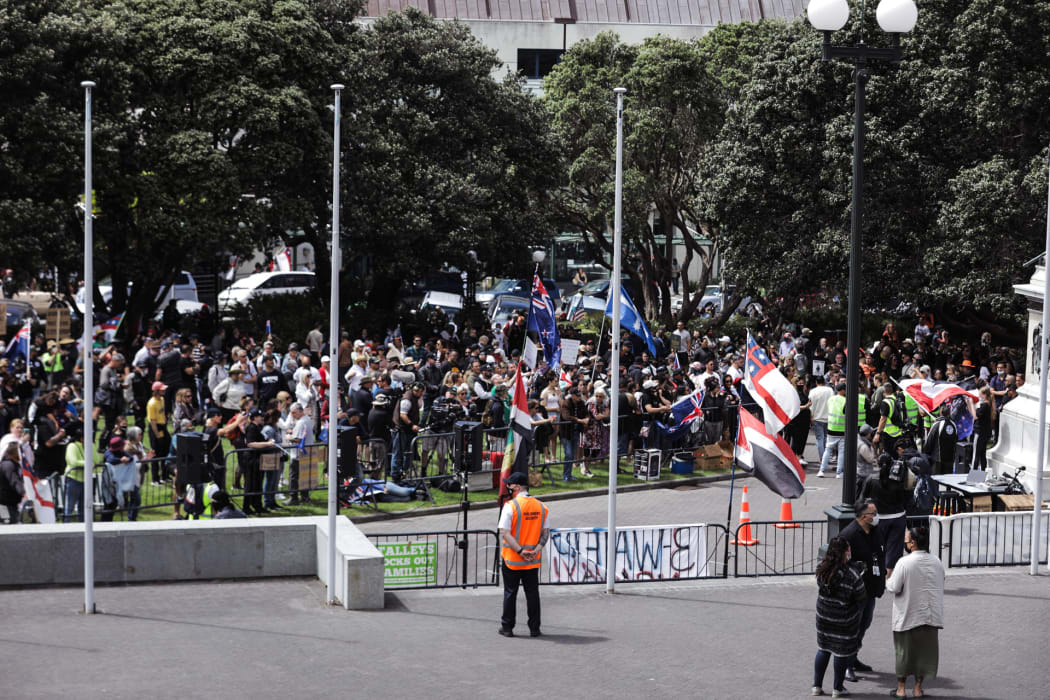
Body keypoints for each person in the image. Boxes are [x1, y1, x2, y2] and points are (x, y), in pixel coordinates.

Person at [885, 526, 945, 699]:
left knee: (903, 653)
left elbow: (894, 587)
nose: (904, 543)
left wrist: (887, 578)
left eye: (906, 540)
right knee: (924, 654)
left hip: (908, 616)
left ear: (912, 543)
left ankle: (901, 689)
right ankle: (918, 689)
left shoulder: (904, 563)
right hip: (930, 616)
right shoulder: (937, 561)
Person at [812, 536, 867, 698]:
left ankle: (816, 686)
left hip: (823, 617)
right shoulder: (852, 575)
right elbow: (861, 598)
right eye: (848, 549)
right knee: (840, 654)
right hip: (844, 621)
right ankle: (837, 688)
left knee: (823, 649)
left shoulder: (821, 568)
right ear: (844, 552)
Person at [498, 472, 550, 638]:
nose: (508, 487)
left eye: (510, 484)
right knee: (532, 593)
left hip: (513, 559)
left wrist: (520, 551)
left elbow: (504, 532)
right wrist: (536, 550)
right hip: (532, 560)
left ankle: (507, 627)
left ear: (517, 487)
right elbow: (546, 533)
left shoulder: (510, 506)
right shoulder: (542, 507)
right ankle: (534, 628)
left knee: (510, 593)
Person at [840, 498, 886, 680]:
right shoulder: (849, 535)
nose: (877, 516)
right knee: (852, 627)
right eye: (873, 513)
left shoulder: (876, 531)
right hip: (855, 592)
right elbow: (840, 563)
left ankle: (853, 657)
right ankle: (846, 664)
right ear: (863, 516)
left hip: (871, 589)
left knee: (864, 624)